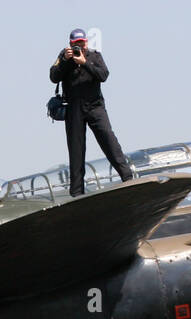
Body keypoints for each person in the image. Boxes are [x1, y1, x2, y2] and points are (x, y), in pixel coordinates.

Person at [49, 28, 134, 197]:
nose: (78, 47)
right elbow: (53, 77)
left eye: (81, 43)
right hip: (74, 109)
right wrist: (66, 60)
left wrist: (84, 63)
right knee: (76, 151)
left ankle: (128, 178)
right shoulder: (64, 56)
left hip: (95, 107)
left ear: (86, 42)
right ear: (70, 44)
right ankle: (77, 193)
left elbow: (104, 75)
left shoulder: (94, 56)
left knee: (109, 141)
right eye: (75, 44)